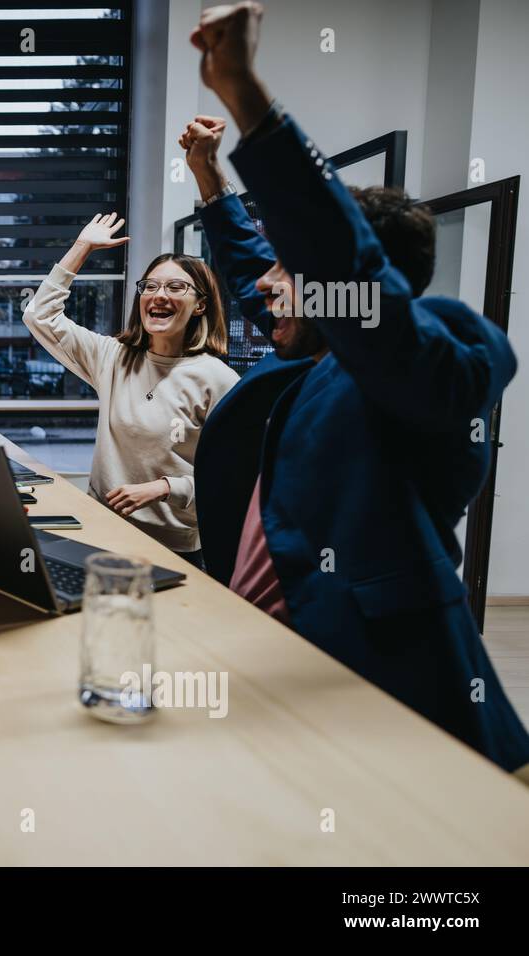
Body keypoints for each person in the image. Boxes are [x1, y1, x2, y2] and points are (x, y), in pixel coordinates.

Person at [183, 2, 529, 775]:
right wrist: (211, 184)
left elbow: (349, 284)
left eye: (289, 269)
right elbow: (260, 269)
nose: (262, 288)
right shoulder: (312, 350)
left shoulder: (450, 348)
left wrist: (246, 96)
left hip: (383, 704)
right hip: (267, 671)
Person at [23, 213, 238, 567]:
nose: (159, 295)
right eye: (150, 286)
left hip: (172, 550)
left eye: (175, 287)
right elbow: (39, 316)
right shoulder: (113, 358)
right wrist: (82, 247)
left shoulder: (218, 379)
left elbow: (236, 481)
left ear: (201, 305)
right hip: (102, 531)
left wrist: (167, 487)